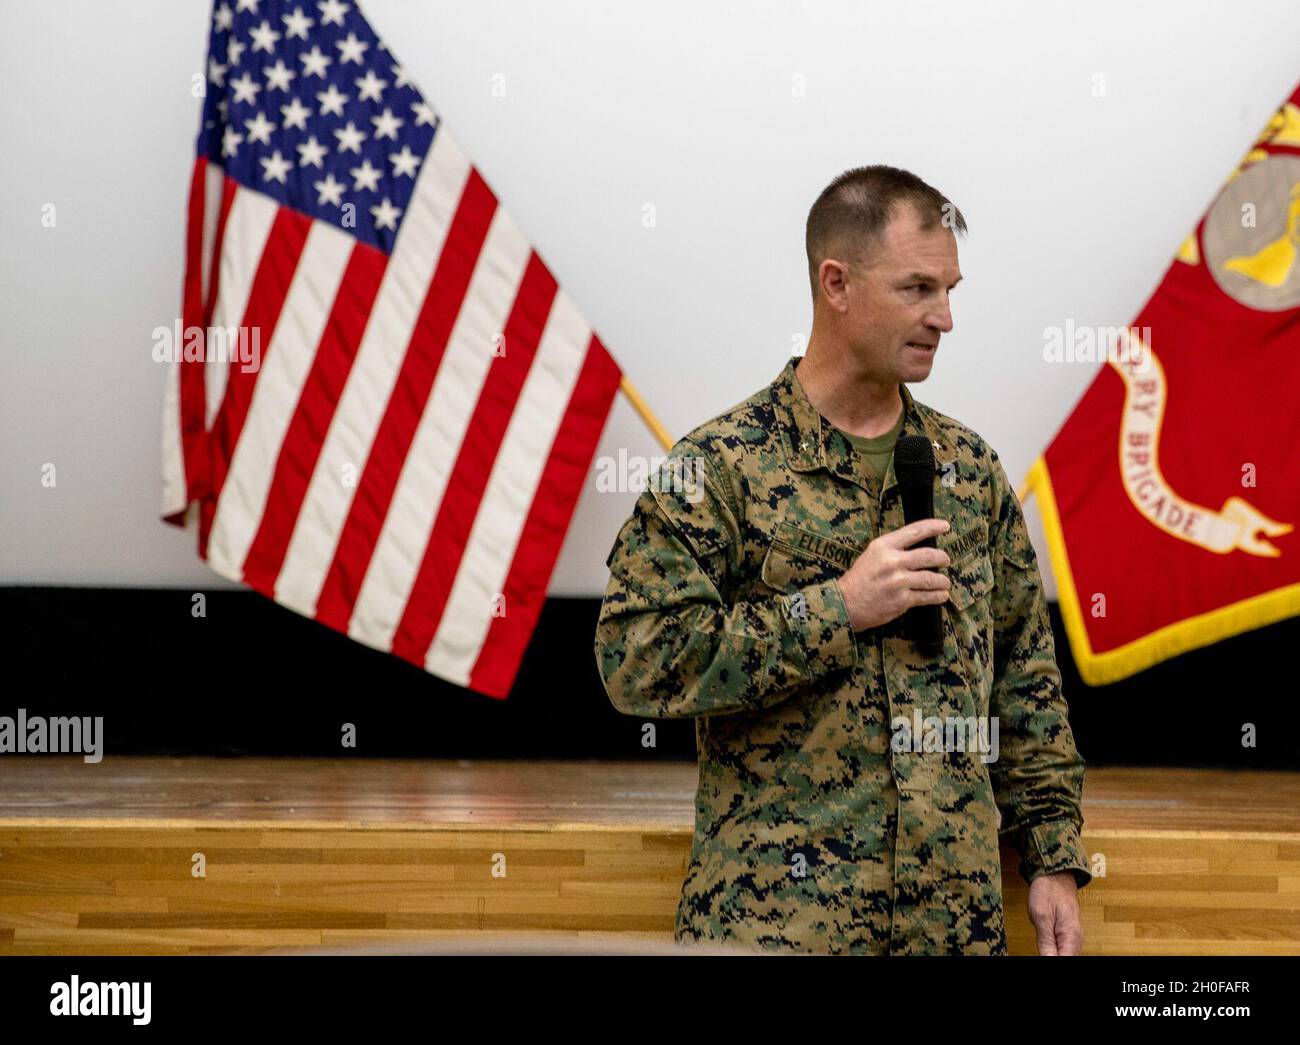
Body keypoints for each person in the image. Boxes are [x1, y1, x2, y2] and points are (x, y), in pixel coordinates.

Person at [593, 165, 1091, 955]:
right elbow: (636, 659)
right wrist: (836, 609)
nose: (946, 317)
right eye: (918, 288)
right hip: (777, 927)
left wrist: (1051, 856)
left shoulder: (967, 468)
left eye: (951, 289)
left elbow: (1025, 683)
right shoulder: (722, 467)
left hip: (948, 928)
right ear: (837, 283)